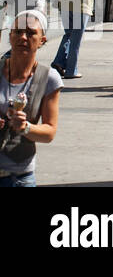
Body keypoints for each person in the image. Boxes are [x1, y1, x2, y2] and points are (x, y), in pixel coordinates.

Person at [0, 9, 61, 187]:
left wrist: (26, 127)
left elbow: (49, 132)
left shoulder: (48, 78)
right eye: (18, 32)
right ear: (10, 36)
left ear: (42, 40)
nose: (23, 38)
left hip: (18, 177)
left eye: (31, 33)